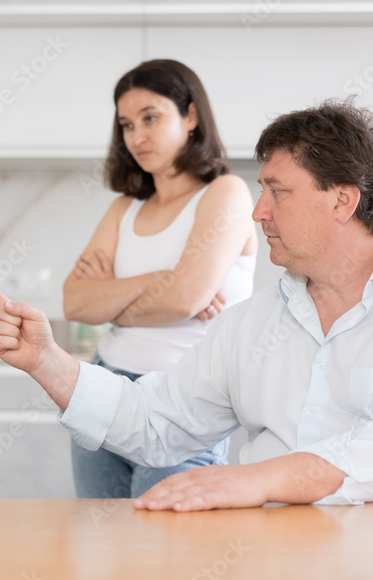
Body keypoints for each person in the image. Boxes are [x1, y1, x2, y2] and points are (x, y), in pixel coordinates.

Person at [0, 98, 373, 511]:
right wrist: (48, 362)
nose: (257, 212)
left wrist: (252, 479)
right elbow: (154, 422)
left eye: (278, 191)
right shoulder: (250, 325)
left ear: (343, 200)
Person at [63, 59, 257, 498]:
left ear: (191, 116)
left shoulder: (225, 193)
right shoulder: (123, 210)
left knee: (163, 555)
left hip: (184, 398)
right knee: (103, 549)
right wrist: (163, 279)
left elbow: (185, 299)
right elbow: (75, 304)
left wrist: (113, 301)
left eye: (151, 118)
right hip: (105, 385)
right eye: (127, 124)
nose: (137, 136)